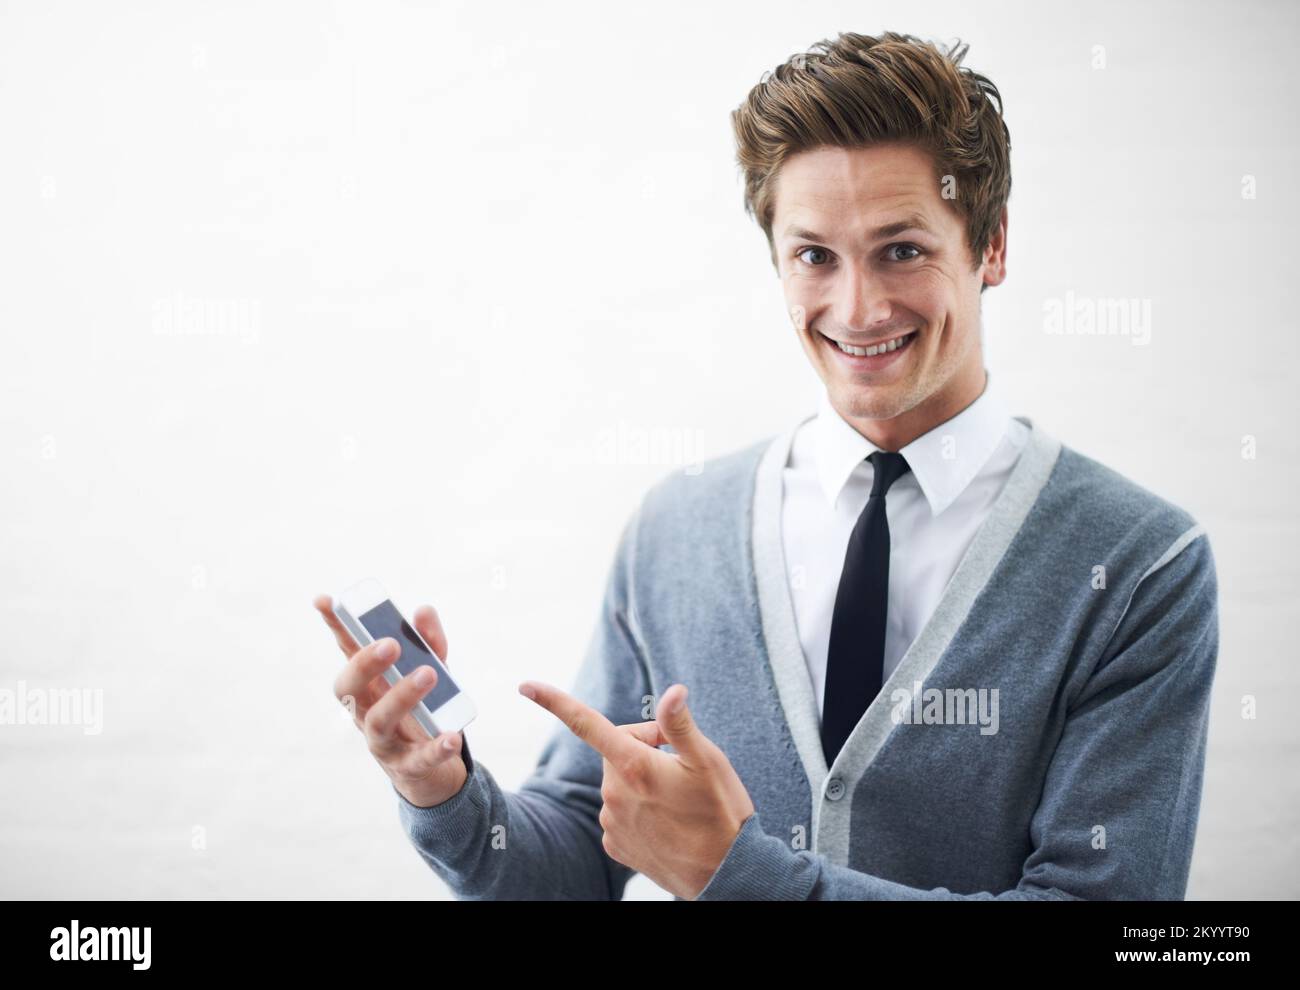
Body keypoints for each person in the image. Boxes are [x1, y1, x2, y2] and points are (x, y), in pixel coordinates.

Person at [315, 30, 1218, 900]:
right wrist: (445, 793)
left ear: (992, 246)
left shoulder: (1139, 564)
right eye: (814, 257)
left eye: (902, 250)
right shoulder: (679, 531)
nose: (858, 308)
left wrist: (739, 878)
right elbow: (570, 869)